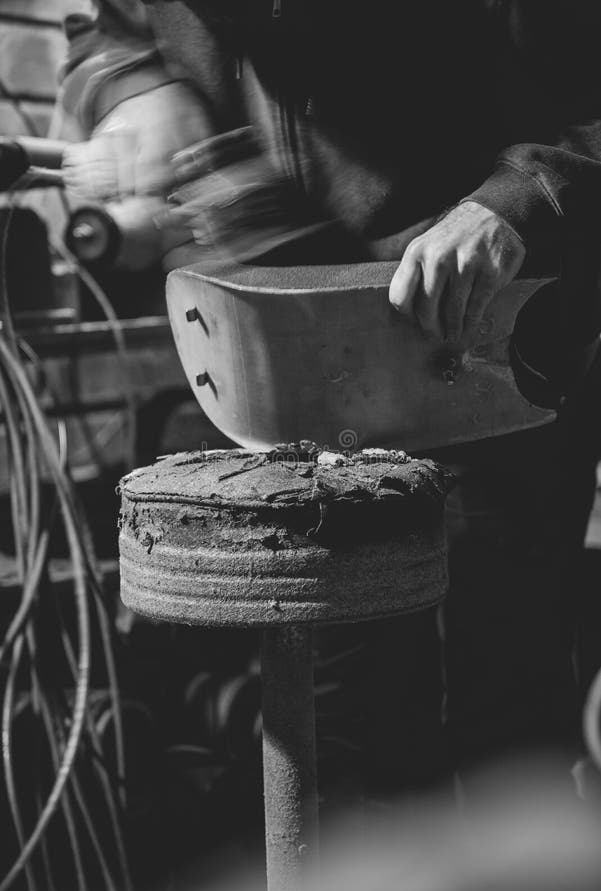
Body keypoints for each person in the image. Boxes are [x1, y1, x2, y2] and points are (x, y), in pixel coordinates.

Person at [63, 0, 601, 796]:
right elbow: (113, 30)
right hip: (295, 382)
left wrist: (521, 197)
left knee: (506, 705)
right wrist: (128, 87)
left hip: (491, 347)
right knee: (339, 726)